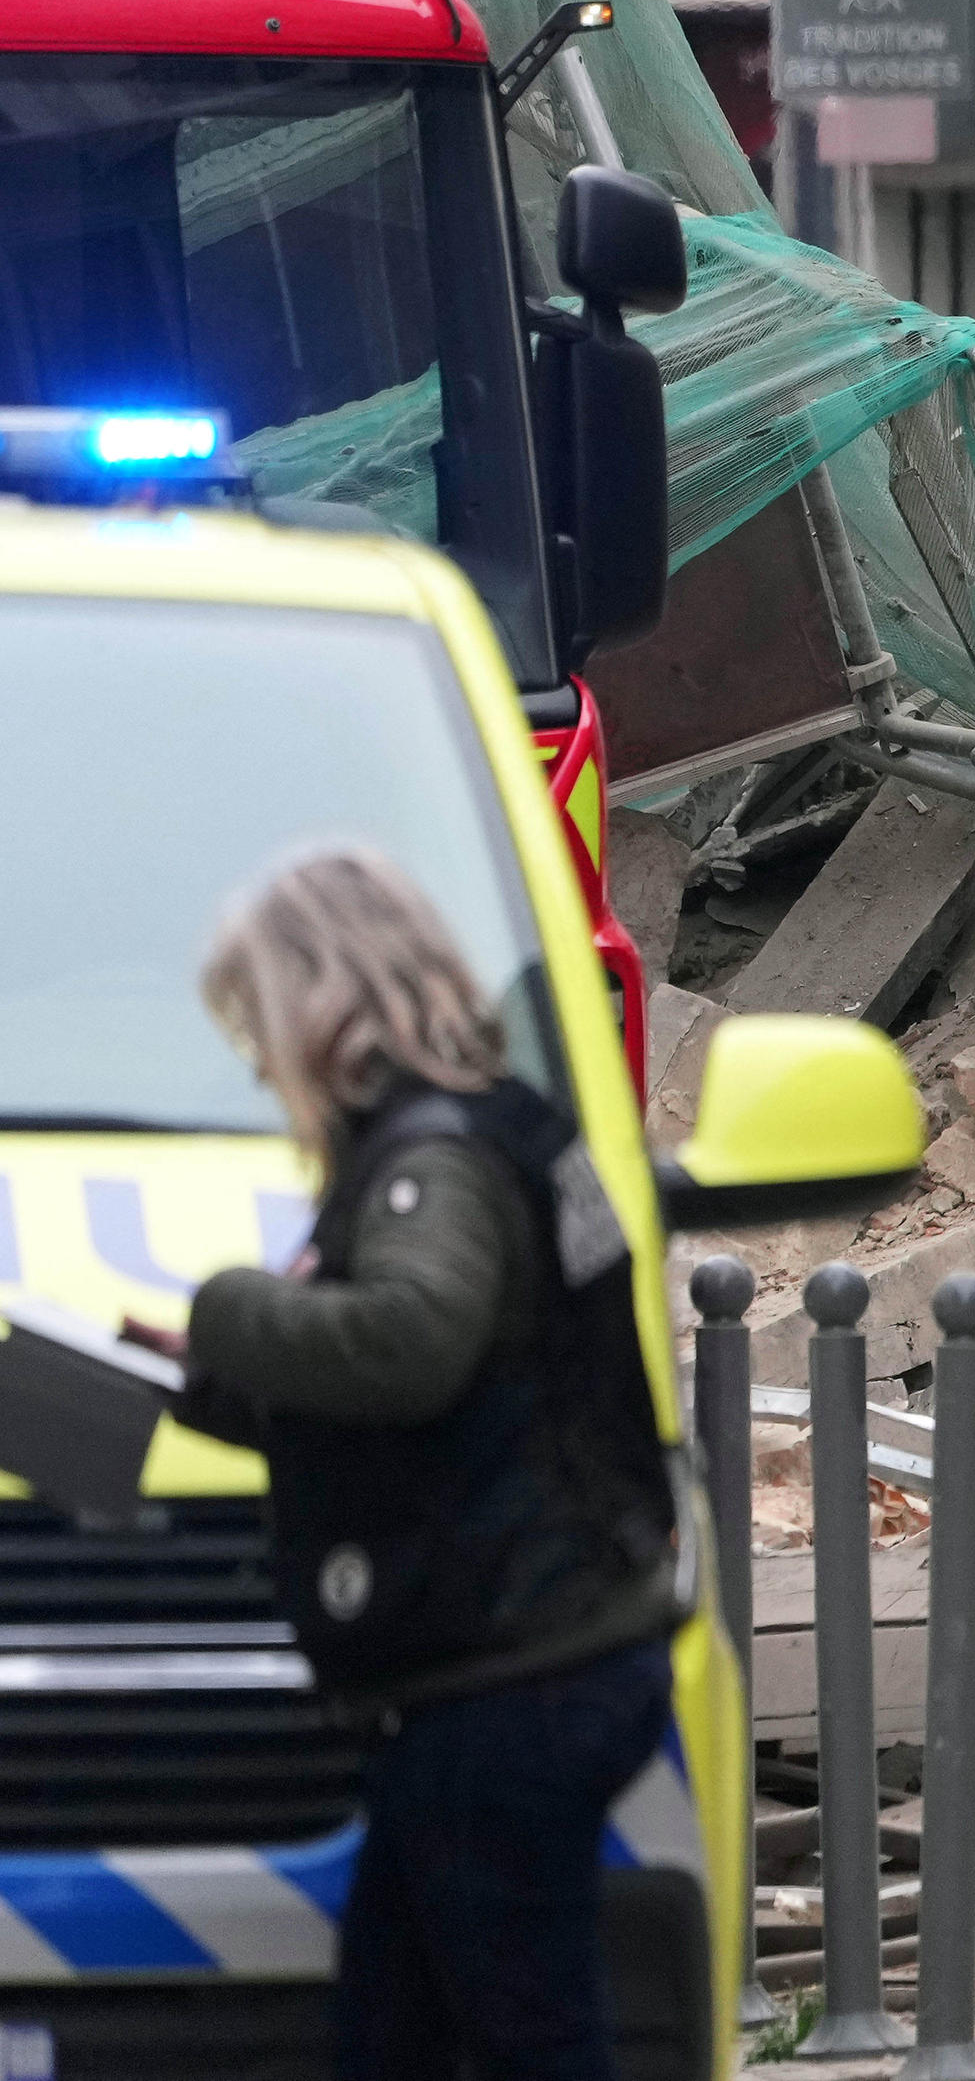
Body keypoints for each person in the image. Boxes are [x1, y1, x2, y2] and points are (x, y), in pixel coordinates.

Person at [148, 846, 689, 2080]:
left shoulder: (427, 1161)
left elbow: (412, 1345)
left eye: (256, 1020)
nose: (255, 1056)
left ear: (321, 998)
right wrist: (239, 1390)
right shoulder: (509, 1128)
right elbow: (487, 1397)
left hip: (509, 1678)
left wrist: (229, 1309)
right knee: (399, 2030)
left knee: (520, 2040)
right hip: (550, 1654)